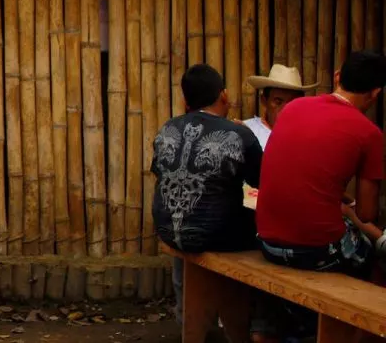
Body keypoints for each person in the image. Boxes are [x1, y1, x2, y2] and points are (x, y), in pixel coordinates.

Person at [151, 64, 262, 321]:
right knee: (266, 232)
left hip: (167, 230)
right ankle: (257, 322)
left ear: (185, 100)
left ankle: (194, 318)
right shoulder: (238, 134)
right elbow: (264, 182)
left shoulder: (167, 129)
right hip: (217, 235)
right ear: (224, 96)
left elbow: (161, 175)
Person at [257, 51, 384, 274]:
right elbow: (366, 214)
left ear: (337, 77)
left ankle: (294, 309)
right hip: (316, 254)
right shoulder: (371, 134)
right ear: (375, 93)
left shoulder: (293, 108)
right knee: (368, 253)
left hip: (267, 244)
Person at [242, 64, 316, 150]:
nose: (285, 109)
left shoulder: (310, 135)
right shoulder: (247, 131)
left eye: (292, 103)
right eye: (278, 102)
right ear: (264, 100)